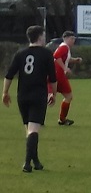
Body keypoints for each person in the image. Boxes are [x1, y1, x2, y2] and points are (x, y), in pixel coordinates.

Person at [3, 25, 56, 172]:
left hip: (22, 95)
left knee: (29, 128)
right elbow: (53, 78)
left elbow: (9, 75)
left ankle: (36, 161)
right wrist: (53, 93)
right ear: (39, 37)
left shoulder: (20, 53)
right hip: (38, 95)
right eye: (43, 36)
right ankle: (27, 163)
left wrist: (5, 92)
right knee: (33, 129)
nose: (45, 38)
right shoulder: (46, 54)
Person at [54, 30, 81, 125]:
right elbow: (56, 56)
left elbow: (64, 59)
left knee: (49, 97)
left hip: (56, 74)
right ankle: (62, 119)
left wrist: (75, 60)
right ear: (65, 38)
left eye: (74, 39)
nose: (73, 41)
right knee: (68, 96)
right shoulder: (64, 47)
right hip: (59, 75)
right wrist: (64, 68)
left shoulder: (64, 47)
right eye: (71, 39)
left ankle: (37, 118)